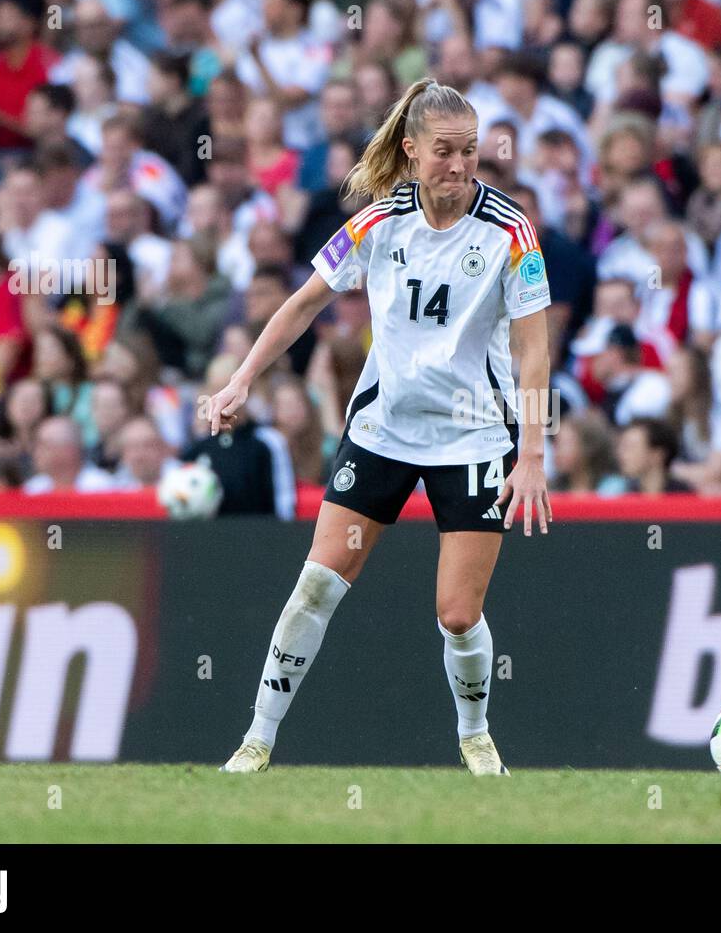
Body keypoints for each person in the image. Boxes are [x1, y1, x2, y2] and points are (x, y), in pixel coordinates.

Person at [207, 79, 552, 777]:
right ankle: (257, 740)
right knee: (316, 584)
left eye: (470, 153)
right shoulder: (375, 225)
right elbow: (302, 305)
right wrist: (242, 377)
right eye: (444, 152)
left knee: (457, 615)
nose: (458, 167)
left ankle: (475, 735)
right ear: (412, 151)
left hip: (474, 437)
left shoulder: (511, 232)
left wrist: (535, 454)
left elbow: (534, 348)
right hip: (384, 431)